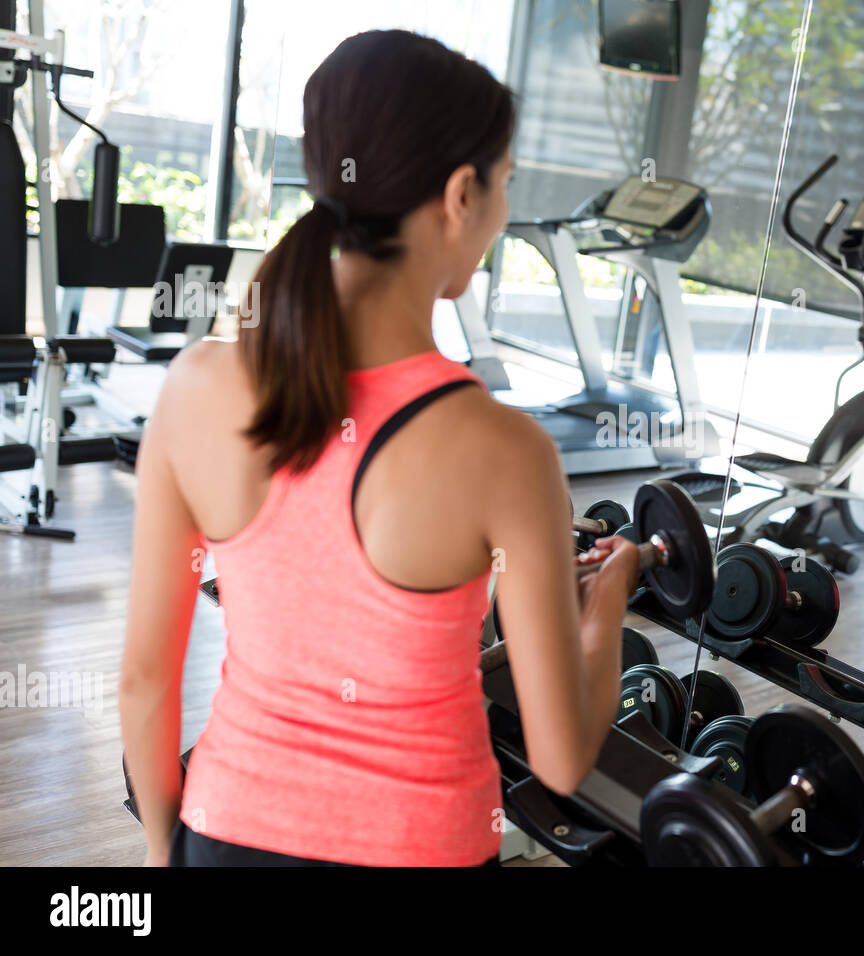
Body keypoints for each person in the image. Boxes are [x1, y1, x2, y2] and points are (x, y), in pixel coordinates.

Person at [119, 30, 638, 867]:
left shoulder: (193, 389)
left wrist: (160, 853)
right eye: (504, 185)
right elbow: (562, 757)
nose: (500, 213)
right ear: (461, 194)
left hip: (224, 831)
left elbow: (145, 681)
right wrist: (606, 602)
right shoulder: (505, 449)